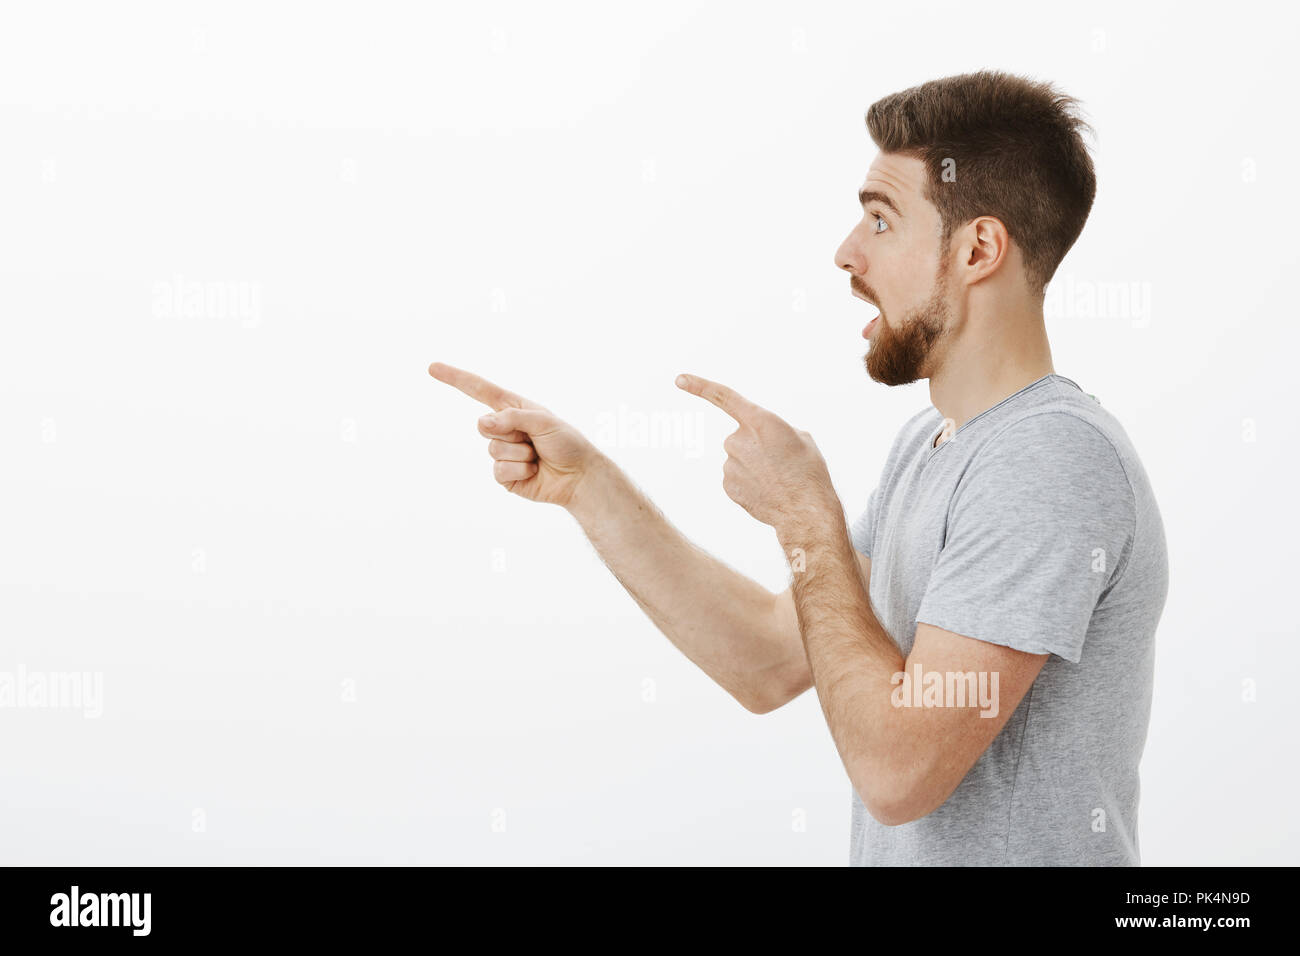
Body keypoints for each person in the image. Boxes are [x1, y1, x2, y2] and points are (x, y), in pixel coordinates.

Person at [429, 70, 1168, 866]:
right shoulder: (934, 447)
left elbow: (898, 769)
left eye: (881, 221)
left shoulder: (1047, 460)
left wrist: (806, 516)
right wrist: (590, 488)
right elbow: (767, 658)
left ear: (979, 248)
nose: (847, 254)